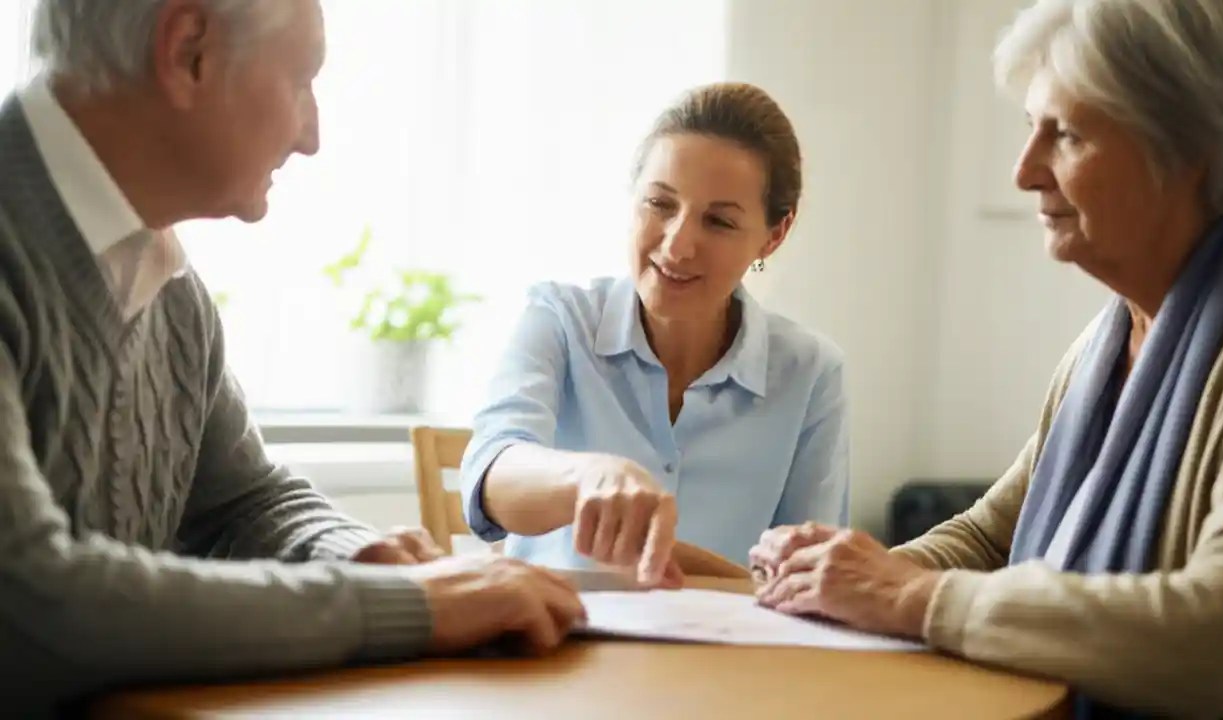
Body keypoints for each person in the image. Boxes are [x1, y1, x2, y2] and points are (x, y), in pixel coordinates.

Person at [0, 1, 583, 714]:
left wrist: (355, 554)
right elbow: (25, 603)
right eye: (302, 79)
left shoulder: (169, 288)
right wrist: (415, 607)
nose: (312, 135)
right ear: (188, 52)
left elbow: (240, 504)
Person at [750, 0, 1223, 716]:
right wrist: (836, 579)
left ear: (1190, 150)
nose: (1024, 172)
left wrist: (910, 597)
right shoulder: (1103, 347)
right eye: (1032, 127)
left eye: (1067, 135)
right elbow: (990, 536)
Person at [459, 82, 850, 587]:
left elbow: (807, 578)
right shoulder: (559, 318)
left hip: (728, 638)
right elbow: (491, 474)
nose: (677, 245)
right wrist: (589, 478)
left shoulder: (811, 373)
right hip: (556, 630)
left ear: (774, 235)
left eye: (718, 221)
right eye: (660, 204)